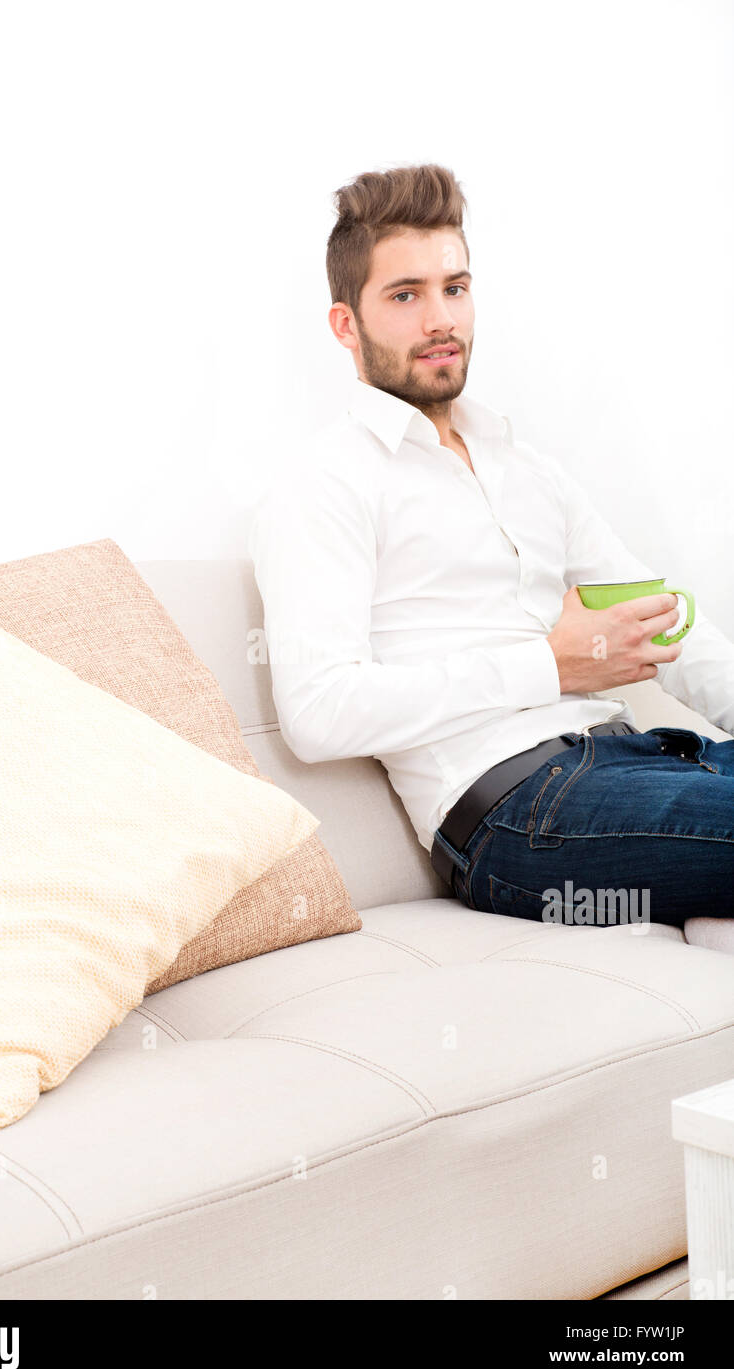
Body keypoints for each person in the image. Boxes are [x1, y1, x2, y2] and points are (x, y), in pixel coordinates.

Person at [247, 163, 734, 927]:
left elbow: (665, 614)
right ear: (347, 324)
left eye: (455, 288)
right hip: (515, 813)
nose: (440, 317)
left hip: (632, 757)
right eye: (405, 295)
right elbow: (317, 712)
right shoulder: (326, 482)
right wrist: (548, 663)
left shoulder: (526, 468)